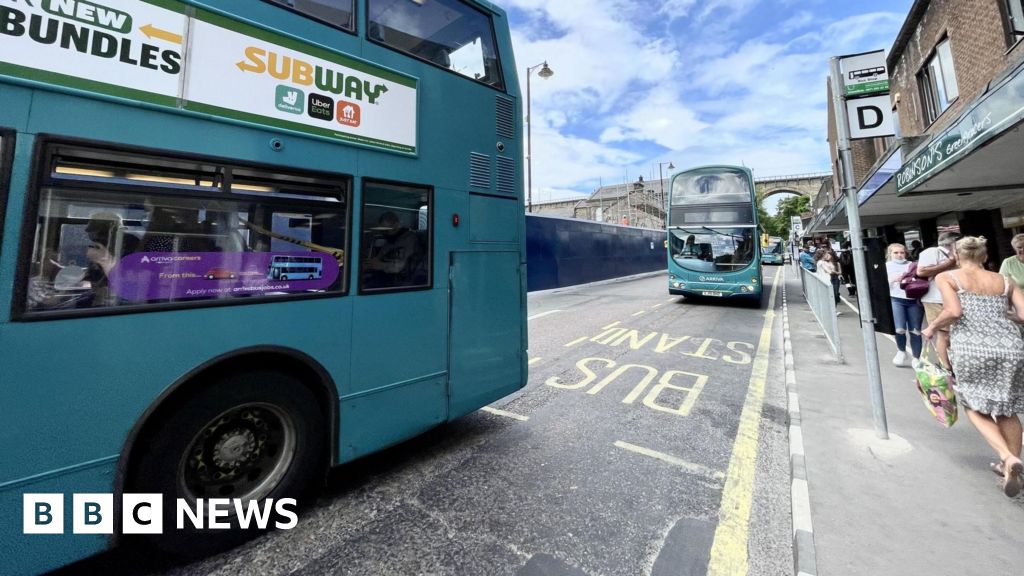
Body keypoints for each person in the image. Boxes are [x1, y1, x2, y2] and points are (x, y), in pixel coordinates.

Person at [922, 236, 1024, 497]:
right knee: (1007, 408)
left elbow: (954, 311)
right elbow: (1023, 315)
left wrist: (932, 326)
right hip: (1010, 347)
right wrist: (1007, 318)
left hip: (972, 348)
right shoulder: (1005, 280)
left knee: (973, 405)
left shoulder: (948, 278)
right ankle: (1009, 466)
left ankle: (1007, 457)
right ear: (984, 257)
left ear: (957, 255)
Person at [916, 231, 960, 370]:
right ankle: (946, 367)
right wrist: (949, 262)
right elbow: (921, 272)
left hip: (955, 298)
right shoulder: (932, 252)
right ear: (952, 243)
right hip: (935, 299)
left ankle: (954, 364)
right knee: (944, 334)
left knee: (956, 333)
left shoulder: (959, 254)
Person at [885, 243, 923, 366]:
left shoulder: (912, 265)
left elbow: (922, 280)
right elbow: (881, 285)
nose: (899, 255)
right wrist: (893, 280)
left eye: (902, 252)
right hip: (896, 299)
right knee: (899, 329)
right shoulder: (886, 266)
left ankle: (916, 358)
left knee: (915, 330)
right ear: (890, 254)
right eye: (896, 253)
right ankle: (901, 351)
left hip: (914, 300)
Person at [363, 211, 418, 288]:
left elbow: (404, 265)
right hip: (385, 275)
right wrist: (370, 264)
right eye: (382, 231)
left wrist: (381, 265)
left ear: (396, 225)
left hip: (401, 280)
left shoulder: (409, 239)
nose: (384, 233)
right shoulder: (390, 240)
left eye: (387, 230)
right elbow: (380, 257)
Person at [816, 248, 842, 314]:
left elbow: (833, 271)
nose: (828, 255)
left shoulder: (826, 262)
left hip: (831, 278)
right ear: (823, 255)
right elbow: (829, 271)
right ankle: (832, 310)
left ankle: (833, 310)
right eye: (826, 254)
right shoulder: (821, 262)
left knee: (834, 294)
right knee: (833, 294)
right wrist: (833, 271)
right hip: (828, 279)